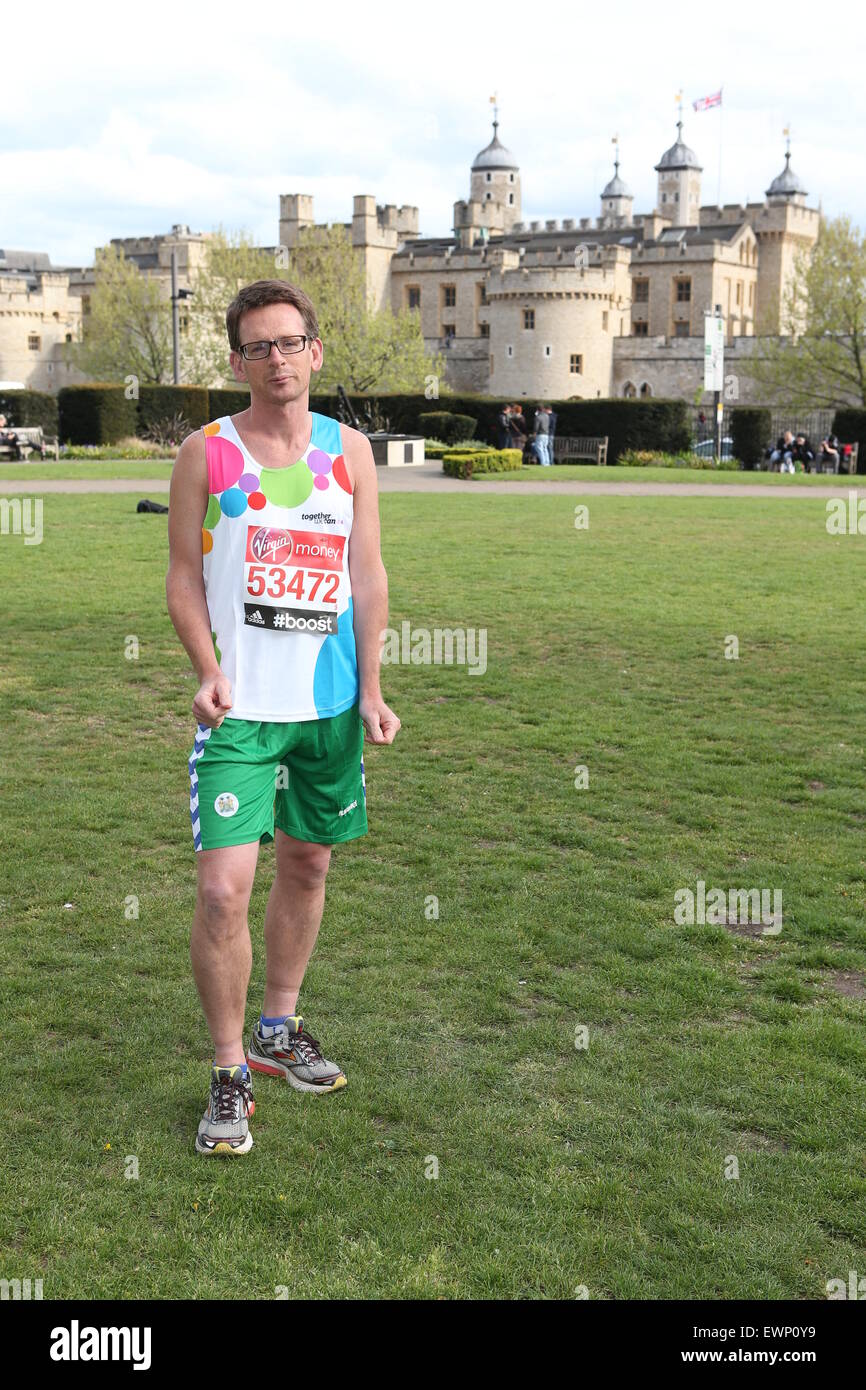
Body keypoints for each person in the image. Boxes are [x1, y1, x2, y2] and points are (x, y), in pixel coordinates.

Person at [166, 279, 401, 1157]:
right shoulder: (206, 453)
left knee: (307, 864)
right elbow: (183, 577)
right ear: (237, 361)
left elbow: (366, 575)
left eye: (290, 342)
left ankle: (278, 1028)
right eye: (258, 346)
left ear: (315, 350)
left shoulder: (352, 452)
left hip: (328, 707)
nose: (277, 359)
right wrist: (206, 670)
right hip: (237, 711)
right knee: (222, 890)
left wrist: (371, 690)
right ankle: (229, 1071)